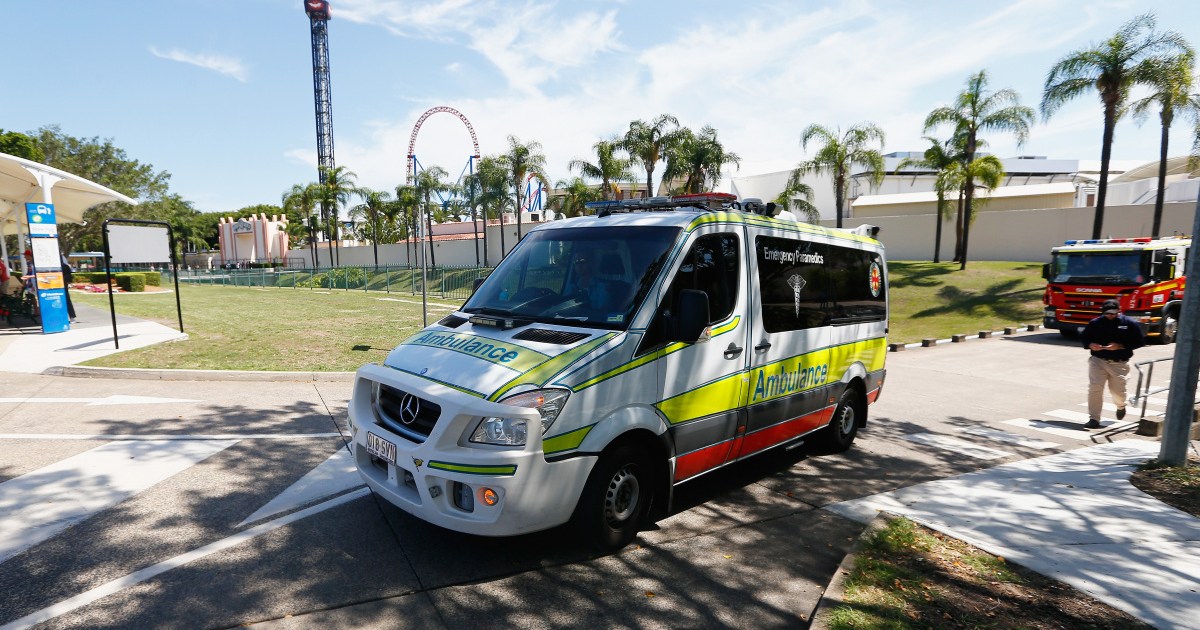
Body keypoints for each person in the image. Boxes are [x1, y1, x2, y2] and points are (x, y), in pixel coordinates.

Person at [1079, 299, 1144, 429]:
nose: (1110, 316)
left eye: (1113, 313)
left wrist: (1120, 346)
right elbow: (1084, 338)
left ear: (1119, 310)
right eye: (1107, 313)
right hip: (1098, 361)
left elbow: (1140, 341)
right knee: (1095, 388)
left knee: (1117, 392)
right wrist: (1090, 344)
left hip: (1119, 363)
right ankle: (1094, 418)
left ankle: (1121, 406)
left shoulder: (1129, 323)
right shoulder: (1095, 323)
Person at [61, 254, 77, 321]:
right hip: (63, 285)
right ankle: (71, 317)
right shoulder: (65, 266)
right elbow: (69, 279)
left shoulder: (64, 266)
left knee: (66, 300)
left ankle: (71, 317)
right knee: (67, 300)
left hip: (62, 286)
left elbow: (69, 278)